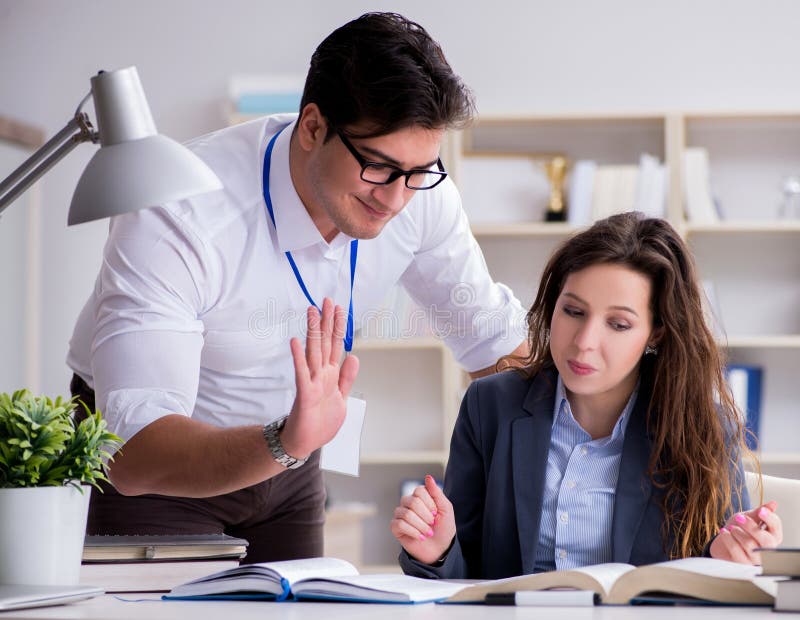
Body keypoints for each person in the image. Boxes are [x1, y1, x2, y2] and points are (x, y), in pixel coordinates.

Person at [66, 12, 526, 563]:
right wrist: (286, 442)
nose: (397, 199)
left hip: (292, 455)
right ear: (312, 127)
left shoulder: (419, 192)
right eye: (378, 168)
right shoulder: (180, 212)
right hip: (163, 473)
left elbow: (498, 349)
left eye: (418, 172)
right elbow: (133, 452)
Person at [391, 211, 783, 579]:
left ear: (656, 332)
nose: (584, 342)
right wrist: (438, 552)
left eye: (618, 324)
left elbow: (714, 574)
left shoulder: (703, 425)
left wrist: (735, 555)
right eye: (573, 312)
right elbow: (465, 577)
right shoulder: (489, 406)